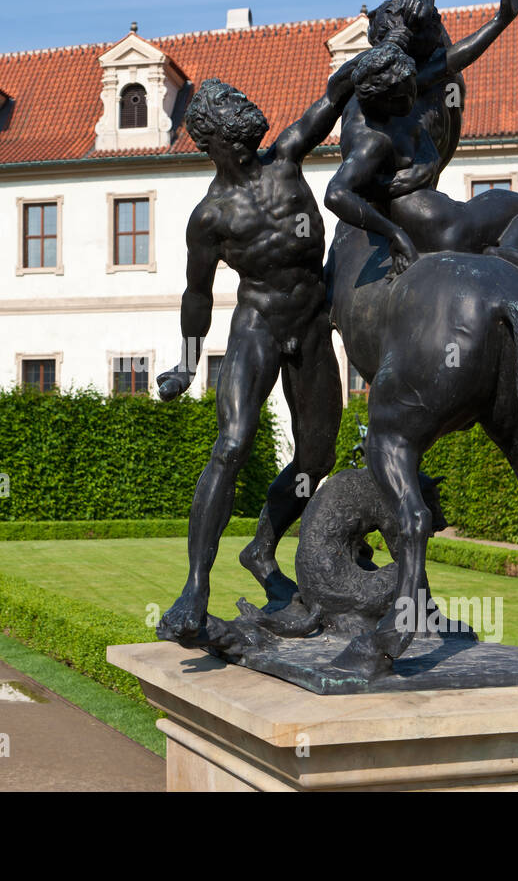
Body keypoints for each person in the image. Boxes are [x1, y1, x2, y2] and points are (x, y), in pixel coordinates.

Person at [153, 62, 357, 645]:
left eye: (250, 141)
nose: (248, 151)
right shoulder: (210, 217)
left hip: (313, 323)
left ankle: (262, 550)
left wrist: (373, 58)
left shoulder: (287, 157)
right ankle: (195, 587)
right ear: (212, 145)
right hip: (259, 322)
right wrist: (188, 362)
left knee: (316, 458)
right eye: (236, 145)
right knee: (233, 442)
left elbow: (333, 96)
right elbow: (197, 296)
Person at [325, 40, 518, 283]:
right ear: (383, 96)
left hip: (429, 222)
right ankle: (507, 250)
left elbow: (449, 64)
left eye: (413, 90)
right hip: (447, 224)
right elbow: (335, 194)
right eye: (403, 96)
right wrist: (395, 234)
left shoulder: (372, 115)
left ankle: (493, 251)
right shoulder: (374, 141)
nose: (411, 100)